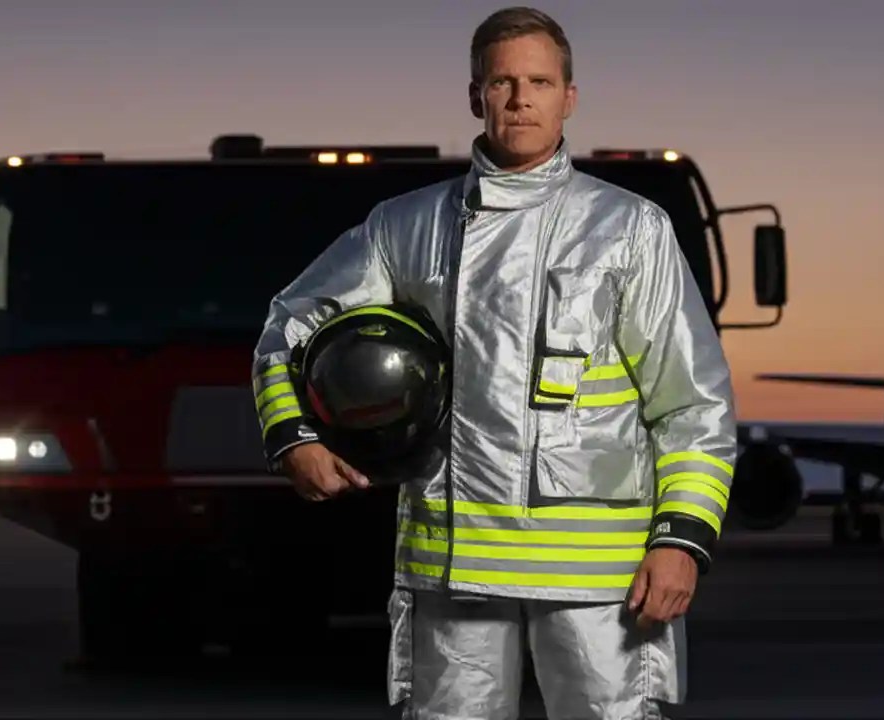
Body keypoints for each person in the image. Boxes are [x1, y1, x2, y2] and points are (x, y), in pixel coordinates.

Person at [251, 6, 738, 719]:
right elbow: (290, 324)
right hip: (453, 564)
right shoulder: (405, 225)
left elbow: (691, 404)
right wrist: (294, 437)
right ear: (475, 95)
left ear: (569, 96)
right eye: (502, 82)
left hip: (599, 575)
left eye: (539, 81)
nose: (520, 98)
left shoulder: (630, 229)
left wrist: (683, 541)